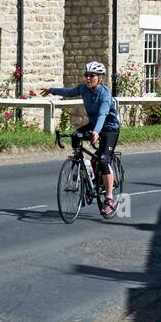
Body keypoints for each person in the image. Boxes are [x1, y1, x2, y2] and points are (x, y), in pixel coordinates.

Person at [41, 61, 121, 214]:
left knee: (104, 159)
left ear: (100, 78)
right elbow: (69, 91)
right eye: (86, 75)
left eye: (92, 75)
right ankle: (86, 167)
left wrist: (97, 132)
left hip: (109, 128)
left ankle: (109, 198)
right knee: (75, 136)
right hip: (94, 124)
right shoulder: (84, 89)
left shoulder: (105, 94)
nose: (88, 78)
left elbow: (103, 114)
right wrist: (52, 90)